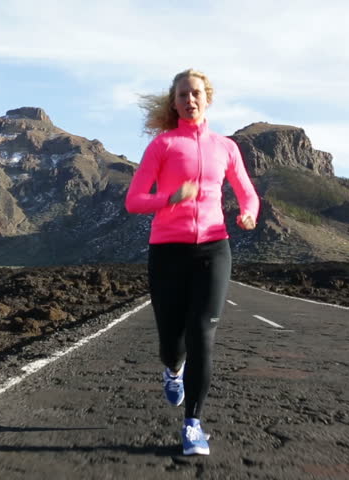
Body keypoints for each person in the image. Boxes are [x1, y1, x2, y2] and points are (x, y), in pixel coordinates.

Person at [125, 68, 259, 456]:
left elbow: (248, 194)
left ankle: (193, 425)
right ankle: (172, 369)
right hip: (168, 250)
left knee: (202, 335)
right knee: (173, 341)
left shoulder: (226, 147)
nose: (190, 100)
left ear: (207, 98)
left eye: (196, 93)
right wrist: (170, 198)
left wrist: (247, 214)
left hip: (213, 249)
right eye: (182, 95)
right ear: (174, 102)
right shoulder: (162, 146)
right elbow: (134, 201)